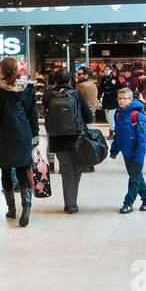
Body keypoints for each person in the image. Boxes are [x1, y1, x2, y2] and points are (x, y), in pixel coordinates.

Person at [0, 56, 38, 226]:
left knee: (6, 171)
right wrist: (35, 136)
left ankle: (11, 209)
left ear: (1, 70)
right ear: (17, 70)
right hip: (23, 136)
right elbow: (33, 115)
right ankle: (26, 209)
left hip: (3, 137)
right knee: (23, 172)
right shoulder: (28, 89)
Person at [43, 68, 92, 214]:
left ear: (55, 80)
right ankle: (72, 203)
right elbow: (88, 116)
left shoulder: (49, 95)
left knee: (66, 170)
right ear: (70, 80)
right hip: (75, 138)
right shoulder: (76, 95)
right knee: (76, 170)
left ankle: (70, 203)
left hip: (57, 138)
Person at [110, 87, 146, 214]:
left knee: (134, 178)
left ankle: (128, 202)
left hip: (136, 153)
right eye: (119, 98)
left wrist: (140, 155)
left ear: (131, 99)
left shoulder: (138, 116)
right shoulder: (119, 115)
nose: (121, 101)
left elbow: (143, 139)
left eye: (124, 98)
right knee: (136, 176)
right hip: (126, 151)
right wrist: (114, 149)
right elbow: (118, 134)